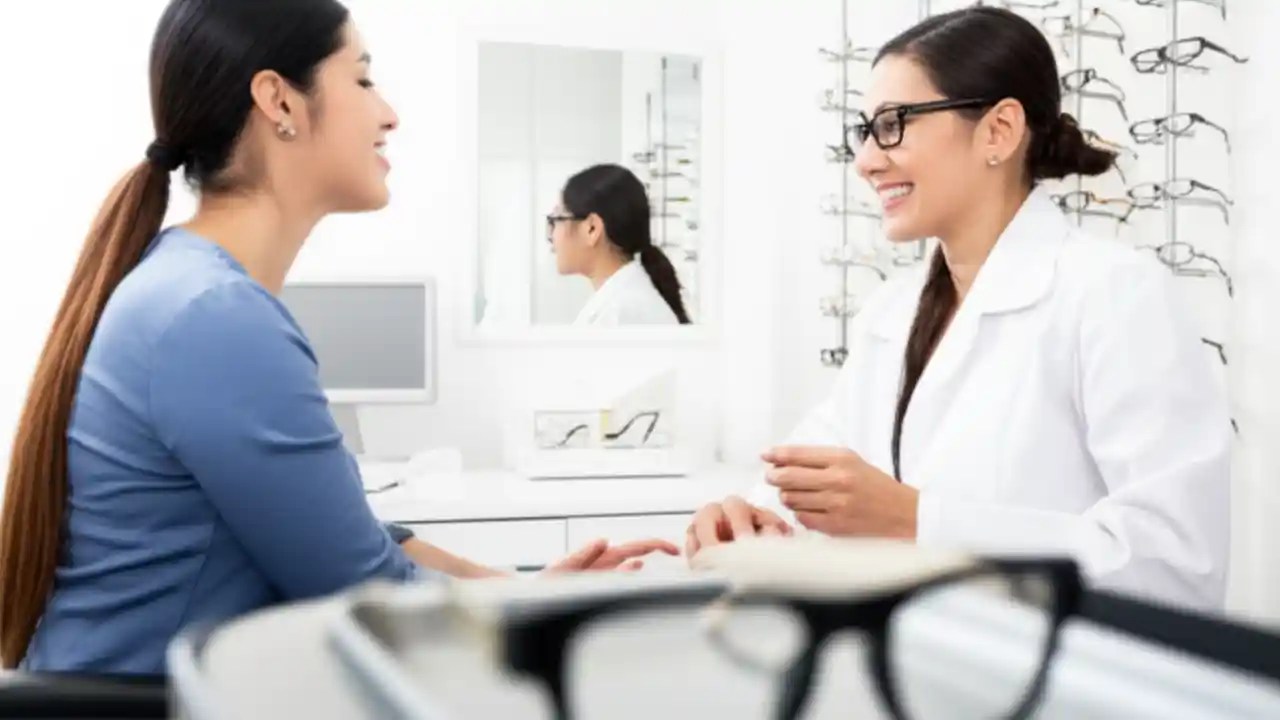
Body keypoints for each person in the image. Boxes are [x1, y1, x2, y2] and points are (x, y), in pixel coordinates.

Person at [0, 0, 675, 674]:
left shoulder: (190, 287)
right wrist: (544, 611)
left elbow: (351, 542)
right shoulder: (215, 316)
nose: (388, 114)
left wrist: (518, 590)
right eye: (361, 79)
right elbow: (367, 596)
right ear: (279, 103)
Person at [685, 6, 1230, 612]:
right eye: (863, 130)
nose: (866, 159)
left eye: (893, 124)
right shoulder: (890, 315)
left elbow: (1177, 565)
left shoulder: (1114, 295)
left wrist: (916, 519)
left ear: (997, 131)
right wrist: (749, 515)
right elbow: (811, 475)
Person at [547, 164, 692, 326]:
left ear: (592, 229)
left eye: (557, 219)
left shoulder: (623, 312)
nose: (551, 235)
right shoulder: (622, 303)